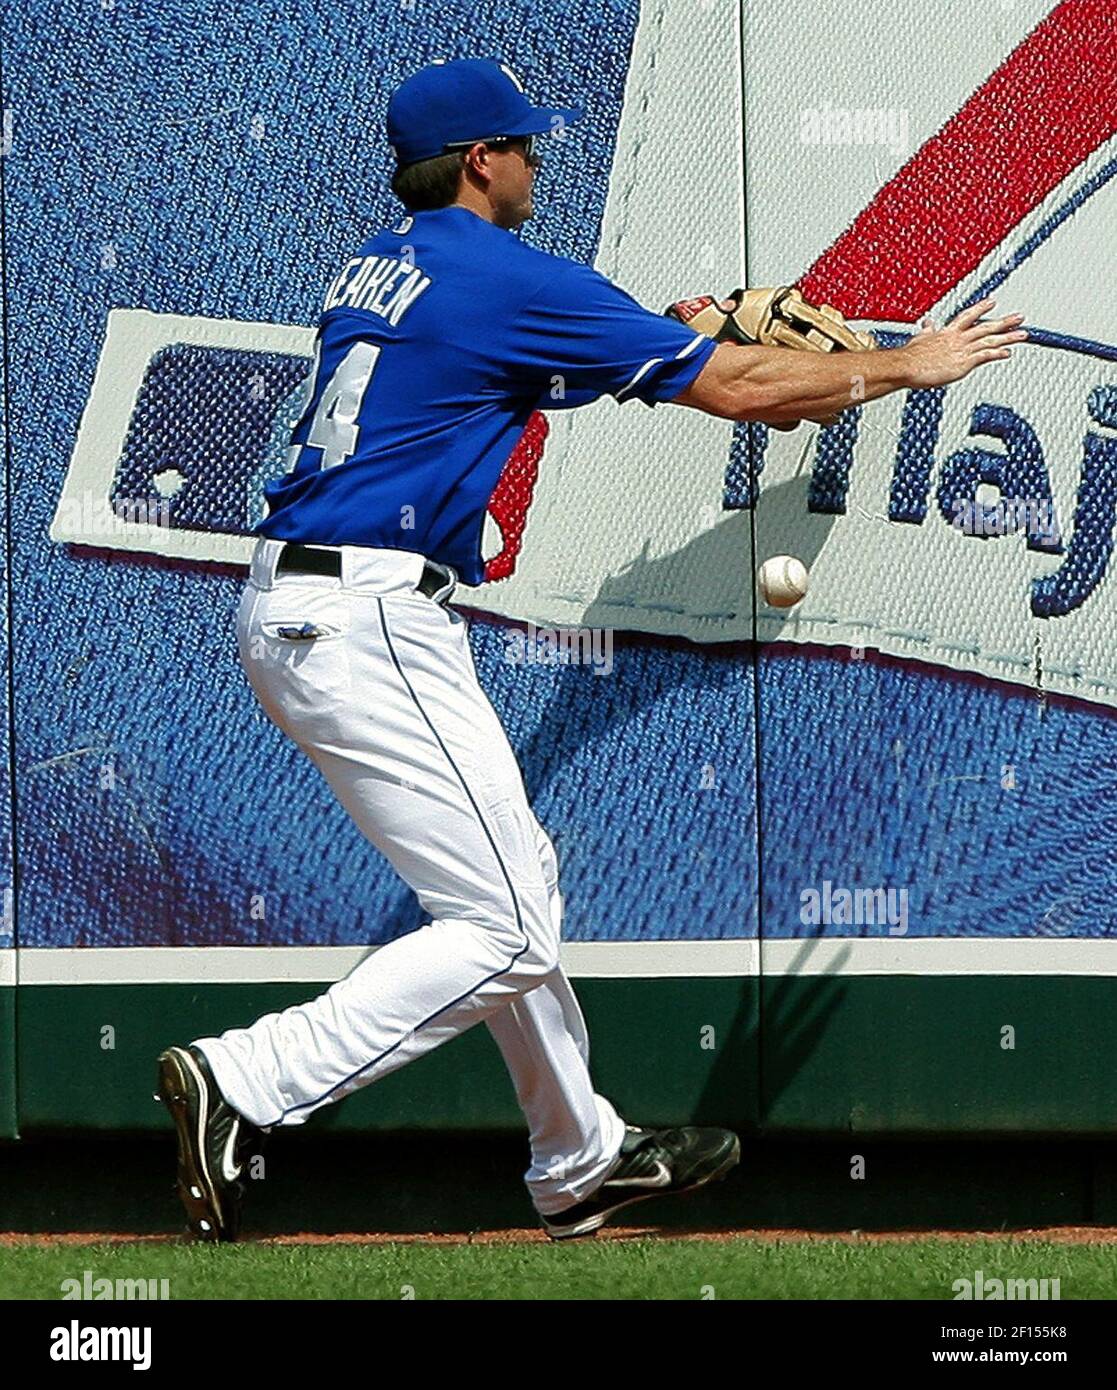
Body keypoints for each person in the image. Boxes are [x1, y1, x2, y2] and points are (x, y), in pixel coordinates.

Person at [155, 58, 1027, 1243]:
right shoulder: (501, 272)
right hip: (366, 615)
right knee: (508, 923)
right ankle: (246, 1080)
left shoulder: (385, 265)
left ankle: (580, 1158)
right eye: (523, 145)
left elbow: (503, 368)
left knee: (505, 893)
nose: (536, 161)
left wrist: (664, 333)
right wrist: (899, 364)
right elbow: (744, 390)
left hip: (313, 608)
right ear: (479, 163)